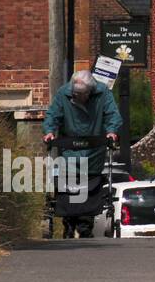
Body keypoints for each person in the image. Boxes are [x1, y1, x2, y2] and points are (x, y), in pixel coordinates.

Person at [42, 70, 123, 239]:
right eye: (75, 93)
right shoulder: (63, 94)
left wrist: (111, 131)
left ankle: (85, 226)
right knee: (68, 191)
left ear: (90, 92)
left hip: (93, 152)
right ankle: (69, 226)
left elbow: (113, 115)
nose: (77, 96)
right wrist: (49, 131)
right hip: (69, 151)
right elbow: (52, 115)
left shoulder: (103, 94)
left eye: (81, 94)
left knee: (89, 190)